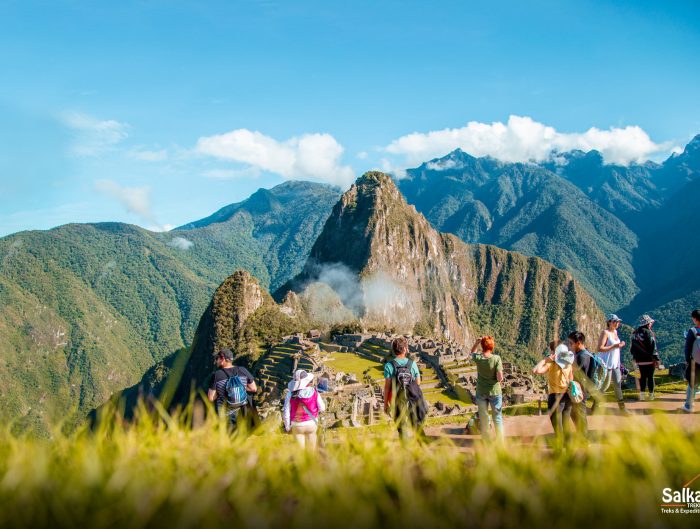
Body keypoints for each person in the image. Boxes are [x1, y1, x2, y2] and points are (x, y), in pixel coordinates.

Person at [383, 336, 425, 439]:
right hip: (412, 399)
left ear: (394, 350)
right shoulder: (412, 364)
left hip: (397, 401)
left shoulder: (389, 365)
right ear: (405, 349)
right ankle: (424, 448)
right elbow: (418, 382)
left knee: (401, 428)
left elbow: (387, 388)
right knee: (416, 425)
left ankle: (406, 449)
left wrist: (385, 405)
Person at [533, 344, 575, 446]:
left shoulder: (550, 364)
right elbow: (571, 379)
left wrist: (545, 360)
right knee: (566, 423)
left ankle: (560, 448)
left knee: (557, 425)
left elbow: (535, 370)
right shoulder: (569, 364)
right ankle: (569, 446)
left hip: (555, 397)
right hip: (567, 397)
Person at [207, 349, 257, 430]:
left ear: (222, 359)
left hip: (226, 413)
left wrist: (222, 391)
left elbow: (211, 398)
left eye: (217, 358)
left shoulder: (217, 375)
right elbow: (254, 388)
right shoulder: (243, 370)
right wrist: (241, 388)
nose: (216, 360)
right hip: (243, 410)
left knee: (229, 438)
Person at [470, 336, 504, 442]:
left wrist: (476, 342)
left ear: (482, 346)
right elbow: (500, 378)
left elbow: (472, 353)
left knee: (484, 418)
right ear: (492, 346)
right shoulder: (496, 359)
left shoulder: (479, 358)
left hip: (481, 391)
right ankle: (500, 443)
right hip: (495, 392)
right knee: (497, 418)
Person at [283, 369, 326, 450]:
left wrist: (287, 427)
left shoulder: (290, 394)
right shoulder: (314, 392)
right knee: (311, 451)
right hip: (311, 423)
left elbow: (286, 412)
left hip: (297, 425)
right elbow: (322, 408)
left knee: (300, 452)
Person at [596, 314, 628, 415]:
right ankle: (595, 406)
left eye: (618, 322)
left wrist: (619, 345)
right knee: (605, 386)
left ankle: (622, 408)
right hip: (606, 363)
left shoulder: (615, 332)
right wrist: (615, 346)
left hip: (615, 364)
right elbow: (600, 348)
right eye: (615, 321)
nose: (617, 323)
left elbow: (615, 347)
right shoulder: (605, 333)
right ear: (609, 322)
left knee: (618, 384)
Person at [630, 314, 660, 401]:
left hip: (639, 360)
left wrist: (635, 357)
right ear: (648, 323)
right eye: (650, 323)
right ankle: (651, 395)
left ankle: (642, 396)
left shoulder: (635, 333)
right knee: (650, 377)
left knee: (642, 377)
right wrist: (656, 359)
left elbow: (632, 348)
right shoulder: (648, 332)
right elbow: (653, 347)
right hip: (649, 359)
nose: (651, 324)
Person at [567, 332, 590, 436]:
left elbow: (572, 370)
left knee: (580, 414)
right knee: (575, 413)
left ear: (579, 342)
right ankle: (581, 435)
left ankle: (584, 438)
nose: (570, 345)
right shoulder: (582, 354)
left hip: (580, 390)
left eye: (571, 343)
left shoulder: (582, 356)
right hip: (579, 388)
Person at [680, 309, 700, 413]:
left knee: (692, 384)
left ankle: (688, 406)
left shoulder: (693, 331)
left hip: (696, 362)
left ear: (695, 319)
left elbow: (687, 348)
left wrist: (688, 360)